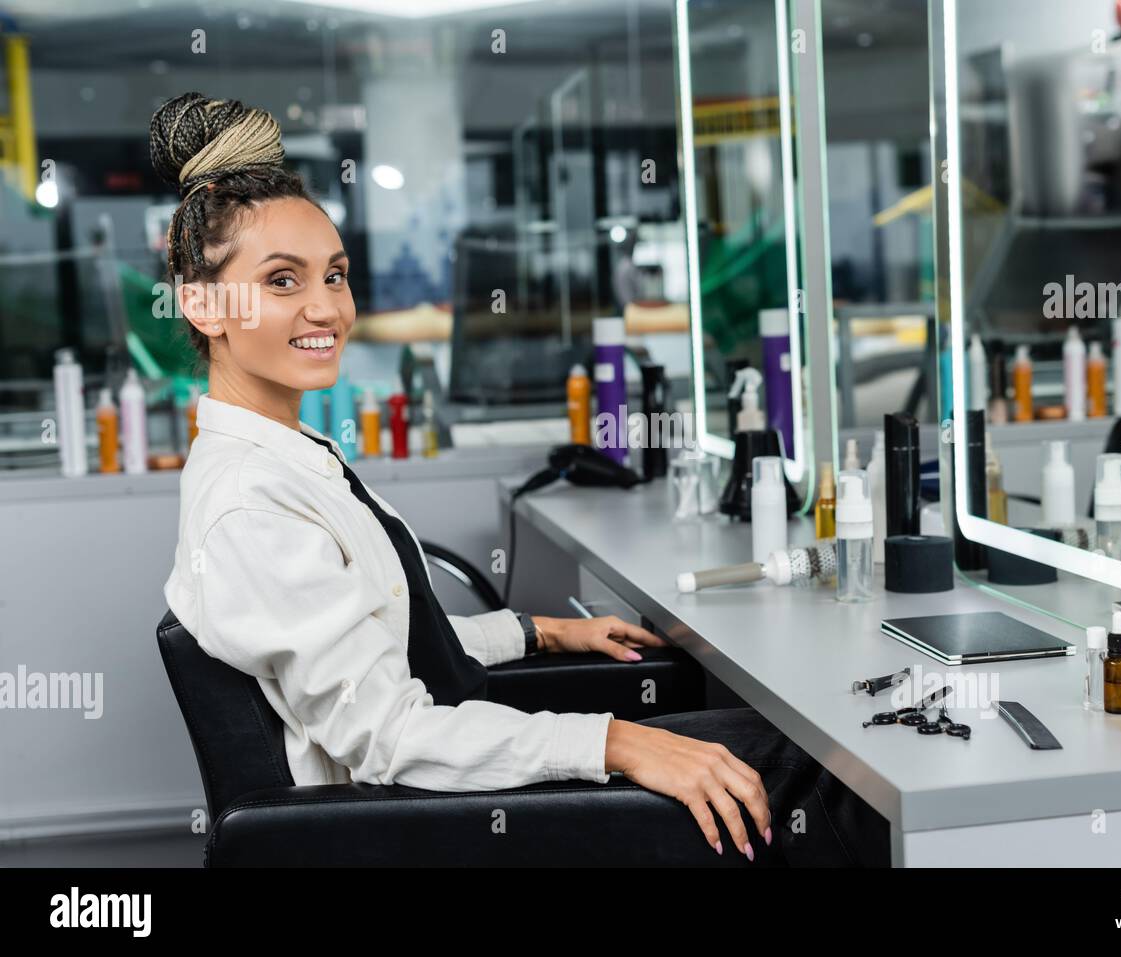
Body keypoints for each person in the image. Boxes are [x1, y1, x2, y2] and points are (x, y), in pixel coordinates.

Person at [157, 92, 889, 866]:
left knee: (798, 744)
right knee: (835, 780)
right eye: (282, 281)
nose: (326, 306)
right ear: (205, 304)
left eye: (335, 275)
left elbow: (386, 642)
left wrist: (539, 631)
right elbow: (387, 734)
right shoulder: (249, 503)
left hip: (447, 777)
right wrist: (618, 742)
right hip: (429, 821)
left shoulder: (286, 452)